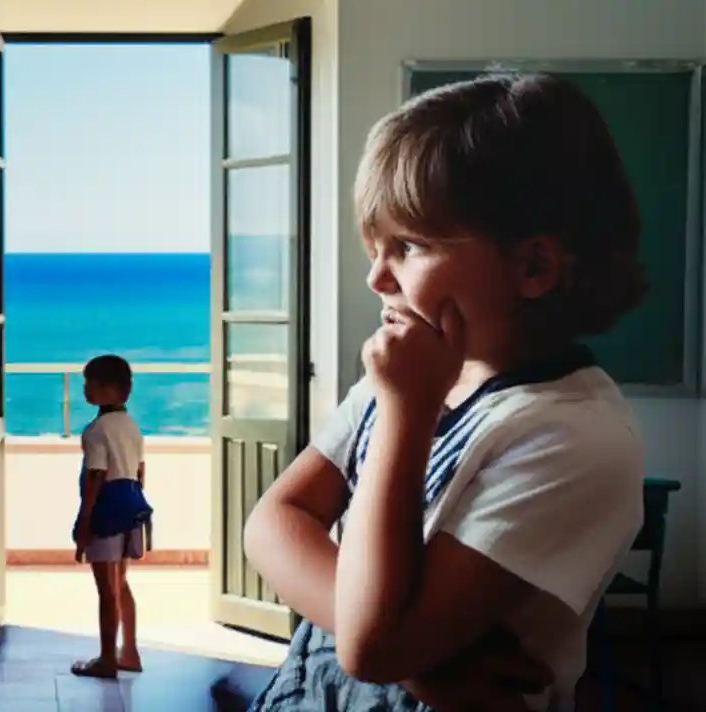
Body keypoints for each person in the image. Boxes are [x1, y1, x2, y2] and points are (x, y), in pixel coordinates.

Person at [243, 74, 648, 711]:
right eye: (374, 248)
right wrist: (419, 669)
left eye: (408, 246)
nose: (377, 278)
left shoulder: (572, 435)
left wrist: (407, 411)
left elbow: (374, 647)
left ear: (534, 267)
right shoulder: (408, 376)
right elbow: (273, 521)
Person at [69, 354, 154, 679]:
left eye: (89, 383)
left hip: (106, 511)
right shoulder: (131, 426)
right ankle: (129, 651)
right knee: (120, 582)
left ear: (108, 389)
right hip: (130, 506)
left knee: (106, 590)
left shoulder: (97, 430)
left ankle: (107, 659)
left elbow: (96, 476)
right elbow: (140, 470)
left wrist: (84, 520)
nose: (85, 389)